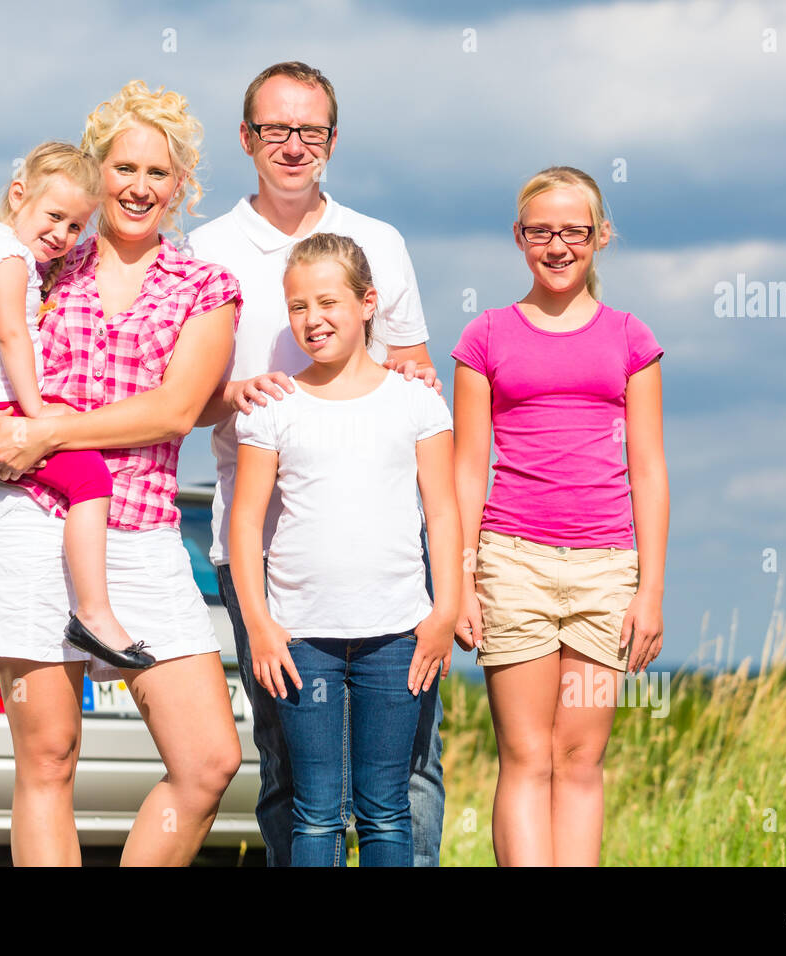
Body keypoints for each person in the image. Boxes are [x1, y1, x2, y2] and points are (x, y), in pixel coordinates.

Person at [0, 80, 242, 866]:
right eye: (124, 167)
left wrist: (51, 430)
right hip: (28, 531)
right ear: (95, 170)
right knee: (49, 760)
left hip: (139, 532)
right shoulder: (36, 261)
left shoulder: (204, 288)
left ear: (181, 187)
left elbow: (175, 410)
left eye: (159, 174)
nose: (139, 187)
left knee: (208, 763)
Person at [183, 60, 447, 867]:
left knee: (406, 777)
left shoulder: (381, 242)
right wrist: (237, 391)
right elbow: (181, 405)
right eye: (275, 129)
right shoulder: (207, 249)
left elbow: (415, 376)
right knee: (293, 778)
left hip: (389, 555)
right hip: (265, 549)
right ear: (246, 138)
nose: (293, 146)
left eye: (310, 131)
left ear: (332, 139)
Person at [452, 166, 669, 866]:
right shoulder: (485, 337)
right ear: (519, 238)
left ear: (600, 237)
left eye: (572, 231)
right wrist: (459, 582)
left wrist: (650, 590)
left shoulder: (631, 339)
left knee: (579, 757)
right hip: (511, 563)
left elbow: (649, 470)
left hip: (607, 573)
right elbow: (465, 469)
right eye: (541, 231)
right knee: (526, 755)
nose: (557, 246)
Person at [229, 233, 460, 865]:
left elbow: (443, 514)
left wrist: (443, 615)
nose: (312, 319)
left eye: (327, 302)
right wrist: (261, 626)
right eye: (297, 307)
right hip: (302, 638)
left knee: (385, 809)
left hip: (398, 636)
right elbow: (245, 523)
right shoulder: (273, 408)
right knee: (314, 812)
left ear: (368, 303)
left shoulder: (416, 401)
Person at [0, 141, 152, 670]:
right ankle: (94, 614)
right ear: (17, 195)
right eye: (54, 217)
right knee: (90, 480)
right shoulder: (11, 260)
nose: (62, 235)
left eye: (76, 227)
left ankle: (92, 611)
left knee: (76, 443)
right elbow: (12, 335)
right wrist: (34, 413)